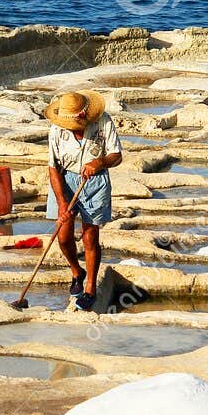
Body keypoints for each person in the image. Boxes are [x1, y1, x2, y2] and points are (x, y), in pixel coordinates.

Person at [43, 90, 122, 311]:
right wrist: (61, 202)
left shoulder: (103, 121)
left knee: (90, 236)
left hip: (95, 182)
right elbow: (52, 167)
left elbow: (117, 155)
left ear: (84, 115)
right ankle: (77, 271)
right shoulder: (57, 129)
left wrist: (99, 162)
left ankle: (90, 289)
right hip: (65, 180)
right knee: (63, 236)